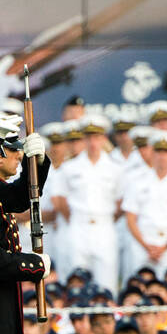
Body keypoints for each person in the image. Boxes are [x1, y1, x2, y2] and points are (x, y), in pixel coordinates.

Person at [47, 114, 121, 289]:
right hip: (78, 225)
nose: (93, 142)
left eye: (97, 137)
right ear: (84, 139)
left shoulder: (115, 168)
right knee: (76, 280)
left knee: (106, 280)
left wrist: (104, 218)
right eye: (88, 137)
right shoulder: (70, 167)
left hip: (104, 227)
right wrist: (76, 219)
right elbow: (60, 200)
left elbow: (120, 203)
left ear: (104, 139)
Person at [122, 130, 167, 276]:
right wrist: (146, 246)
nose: (162, 157)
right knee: (139, 287)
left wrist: (165, 246)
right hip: (142, 242)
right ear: (152, 153)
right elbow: (130, 218)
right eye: (158, 152)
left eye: (166, 152)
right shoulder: (137, 183)